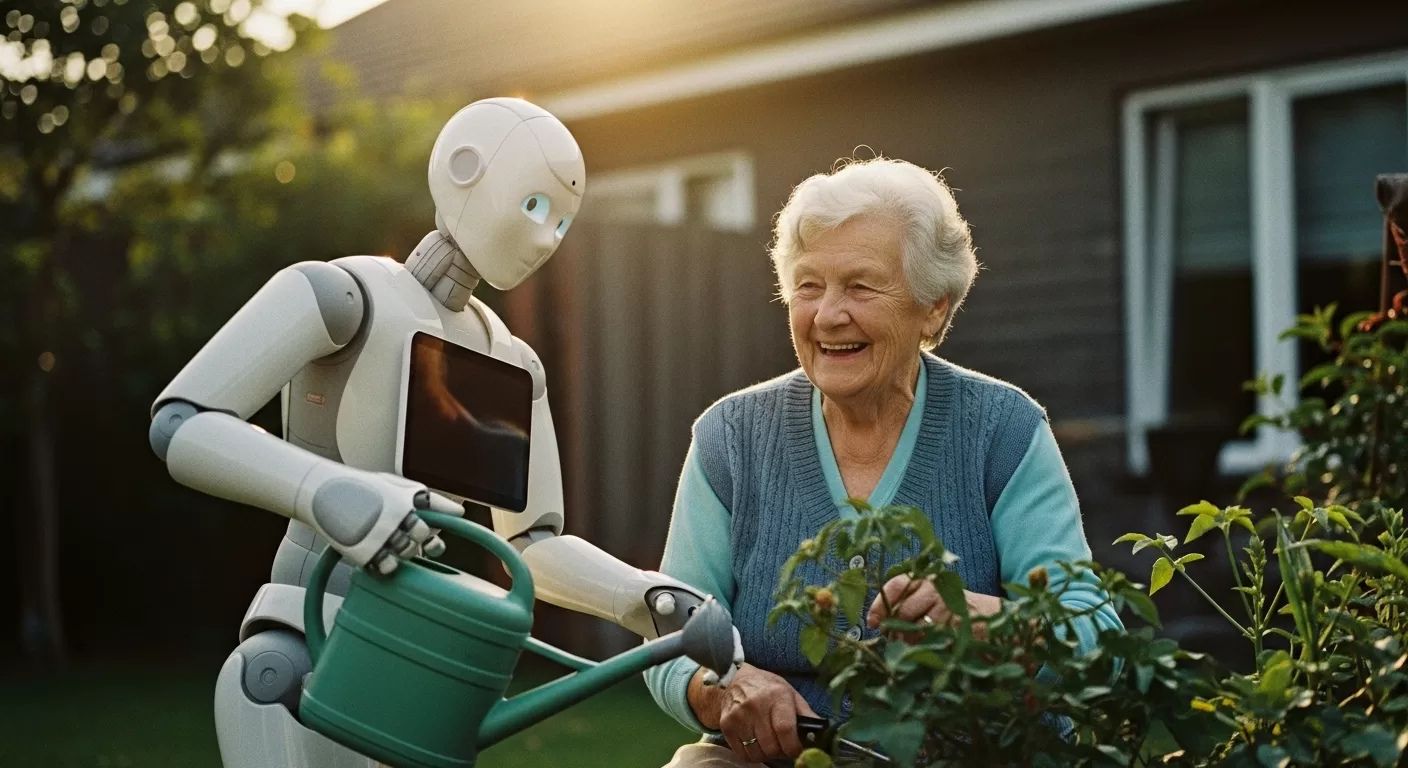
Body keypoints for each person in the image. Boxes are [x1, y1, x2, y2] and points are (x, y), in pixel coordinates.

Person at [645, 157, 1124, 767]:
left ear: (934, 308)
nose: (827, 315)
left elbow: (1095, 638)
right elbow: (671, 638)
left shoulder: (1002, 430)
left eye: (861, 286)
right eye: (808, 286)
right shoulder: (732, 438)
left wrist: (991, 625)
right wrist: (726, 690)